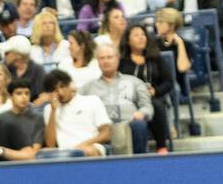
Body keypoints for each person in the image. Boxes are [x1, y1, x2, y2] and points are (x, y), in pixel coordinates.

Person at [82, 43, 154, 155]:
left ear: (117, 59)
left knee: (140, 125)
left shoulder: (134, 81)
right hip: (100, 130)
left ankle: (139, 163)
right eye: (102, 58)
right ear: (98, 62)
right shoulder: (88, 87)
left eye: (109, 57)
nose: (106, 61)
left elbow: (147, 107)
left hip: (128, 125)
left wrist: (141, 113)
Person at [120, 25, 174, 153]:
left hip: (153, 97)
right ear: (128, 41)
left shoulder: (156, 58)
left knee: (156, 105)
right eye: (136, 35)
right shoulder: (122, 62)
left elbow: (169, 82)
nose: (141, 38)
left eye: (143, 34)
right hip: (129, 100)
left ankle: (161, 146)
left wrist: (155, 91)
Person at [44, 70, 112, 157]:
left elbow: (106, 133)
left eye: (62, 87)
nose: (60, 93)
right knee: (42, 153)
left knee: (88, 151)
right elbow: (50, 145)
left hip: (91, 146)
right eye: (55, 90)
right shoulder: (49, 109)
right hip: (63, 152)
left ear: (70, 85)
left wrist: (83, 145)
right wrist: (53, 111)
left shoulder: (92, 100)